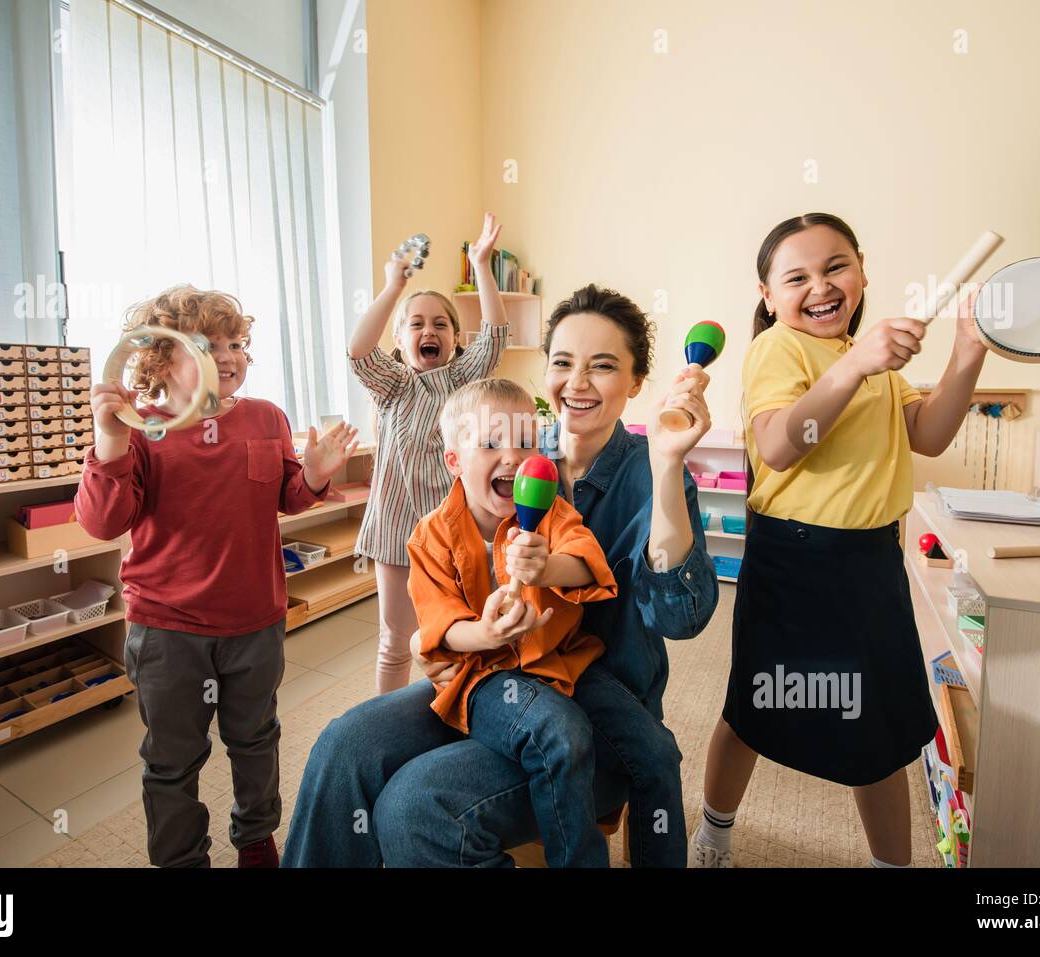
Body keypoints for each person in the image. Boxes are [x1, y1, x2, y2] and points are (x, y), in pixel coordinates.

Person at [282, 284, 717, 867]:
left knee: (415, 806)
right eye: (563, 363)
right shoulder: (511, 467)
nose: (579, 382)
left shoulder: (644, 474)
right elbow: (436, 611)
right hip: (487, 680)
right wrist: (440, 638)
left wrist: (667, 464)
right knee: (345, 744)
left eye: (605, 365)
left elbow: (677, 616)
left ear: (636, 382)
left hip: (591, 702)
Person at [689, 213, 987, 868]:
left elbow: (928, 433)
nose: (820, 285)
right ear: (768, 296)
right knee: (755, 708)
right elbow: (780, 443)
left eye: (836, 266)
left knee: (877, 729)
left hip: (871, 563)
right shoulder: (781, 349)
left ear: (862, 274)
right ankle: (713, 832)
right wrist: (856, 363)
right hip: (794, 562)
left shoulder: (872, 356)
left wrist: (966, 356)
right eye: (796, 276)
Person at [76, 285, 359, 868]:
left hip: (254, 621)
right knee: (173, 758)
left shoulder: (265, 417)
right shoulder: (140, 428)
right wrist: (109, 439)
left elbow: (290, 496)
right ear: (160, 358)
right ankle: (181, 857)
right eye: (205, 344)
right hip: (168, 631)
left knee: (256, 739)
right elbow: (104, 522)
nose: (227, 355)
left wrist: (314, 474)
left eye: (235, 343)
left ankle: (256, 838)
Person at [347, 213, 509, 694]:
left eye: (440, 324)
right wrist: (393, 287)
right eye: (415, 324)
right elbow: (358, 351)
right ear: (399, 341)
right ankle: (389, 722)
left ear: (455, 341)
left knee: (454, 636)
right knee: (396, 641)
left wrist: (481, 264)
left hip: (452, 532)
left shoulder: (464, 381)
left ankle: (457, 709)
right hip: (395, 529)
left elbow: (496, 336)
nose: (428, 330)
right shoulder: (392, 385)